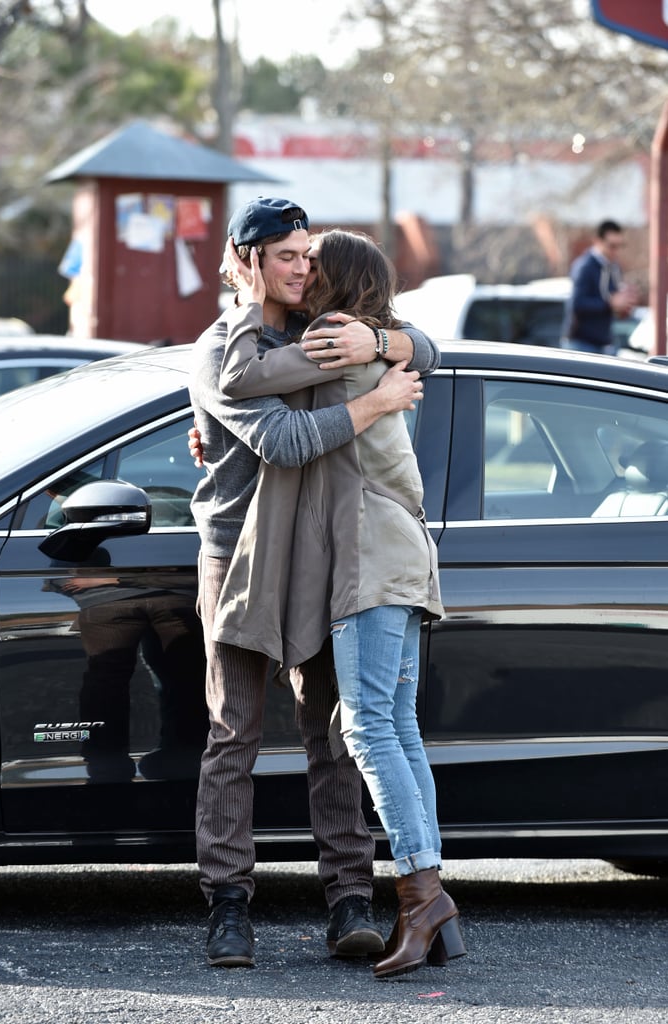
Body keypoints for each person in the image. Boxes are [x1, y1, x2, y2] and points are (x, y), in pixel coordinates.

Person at [188, 198, 441, 969]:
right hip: (238, 556)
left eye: (309, 255)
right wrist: (378, 398)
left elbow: (423, 345)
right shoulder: (223, 347)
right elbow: (289, 440)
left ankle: (351, 903)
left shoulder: (321, 331)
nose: (304, 268)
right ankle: (228, 909)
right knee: (234, 733)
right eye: (289, 256)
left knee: (333, 735)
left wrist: (392, 341)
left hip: (326, 555)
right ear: (247, 261)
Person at [562, 219, 638, 355]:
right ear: (598, 241)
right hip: (581, 343)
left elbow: (613, 305)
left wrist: (624, 306)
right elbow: (576, 304)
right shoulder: (585, 266)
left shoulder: (614, 267)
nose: (616, 251)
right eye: (612, 246)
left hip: (605, 343)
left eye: (620, 246)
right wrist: (610, 303)